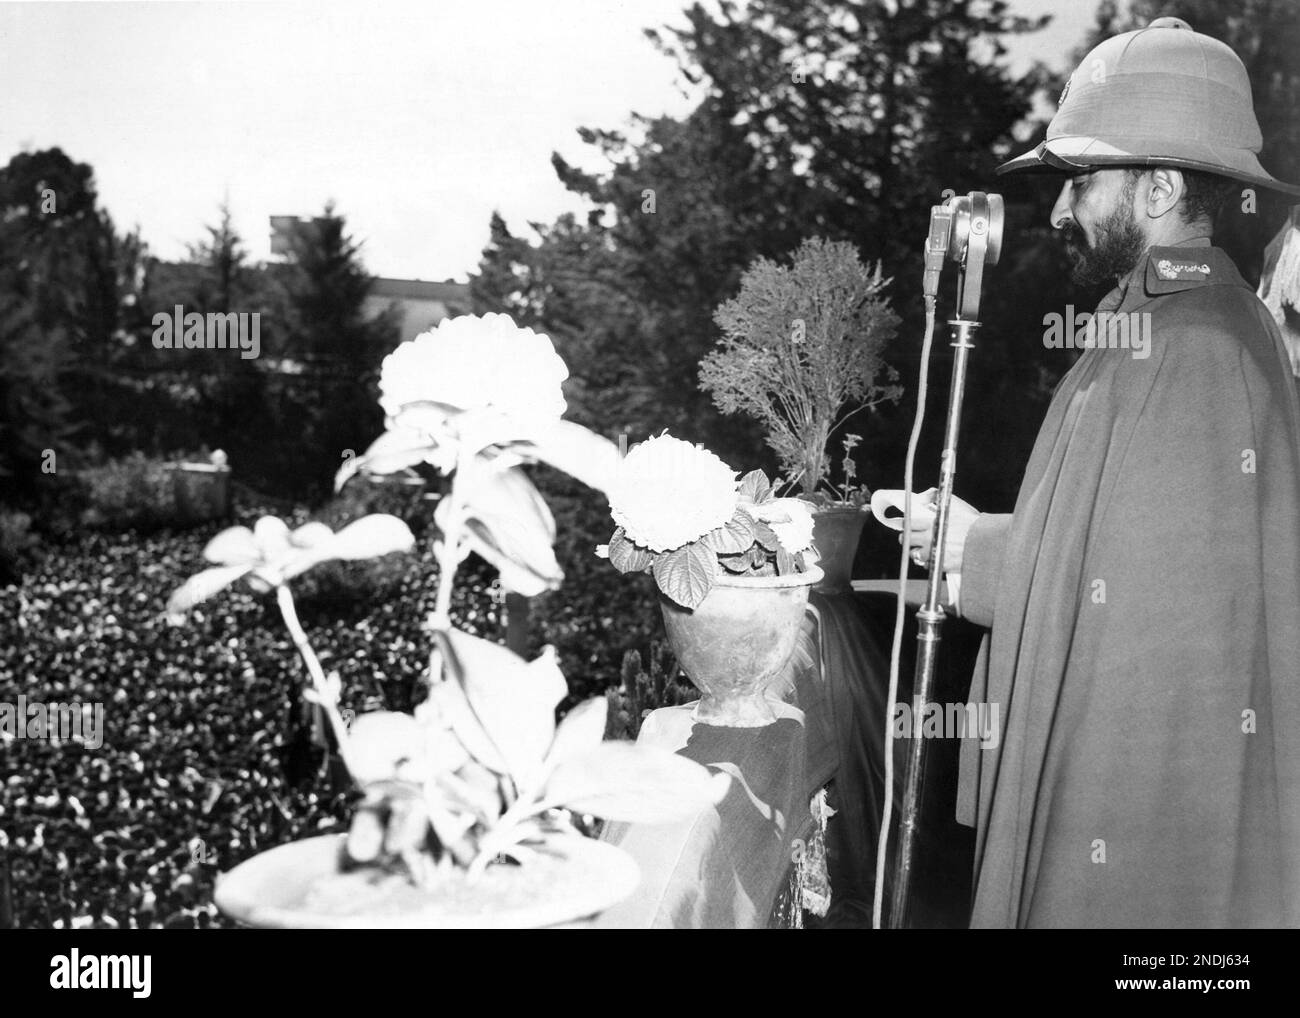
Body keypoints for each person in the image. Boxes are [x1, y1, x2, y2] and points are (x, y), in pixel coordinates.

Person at [897, 17, 1300, 927]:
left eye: (1083, 180)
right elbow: (1117, 552)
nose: (1058, 210)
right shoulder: (1160, 323)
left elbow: (1159, 656)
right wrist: (979, 544)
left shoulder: (1196, 344)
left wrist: (973, 552)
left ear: (1158, 186)